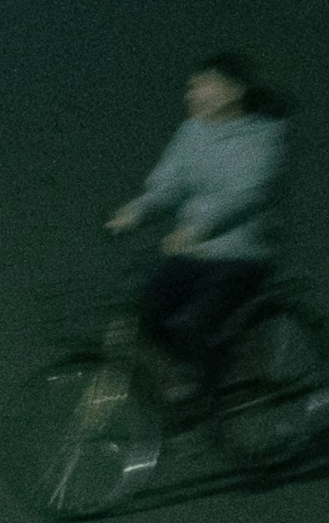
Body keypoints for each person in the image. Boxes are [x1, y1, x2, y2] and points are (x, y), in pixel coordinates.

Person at [108, 54, 290, 419]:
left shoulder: (264, 136)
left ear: (234, 91)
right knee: (142, 316)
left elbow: (249, 194)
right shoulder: (191, 132)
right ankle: (193, 376)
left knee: (195, 323)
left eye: (204, 84)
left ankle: (213, 398)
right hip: (194, 250)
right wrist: (138, 210)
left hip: (243, 253)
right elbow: (168, 184)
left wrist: (200, 227)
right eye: (191, 86)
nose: (193, 94)